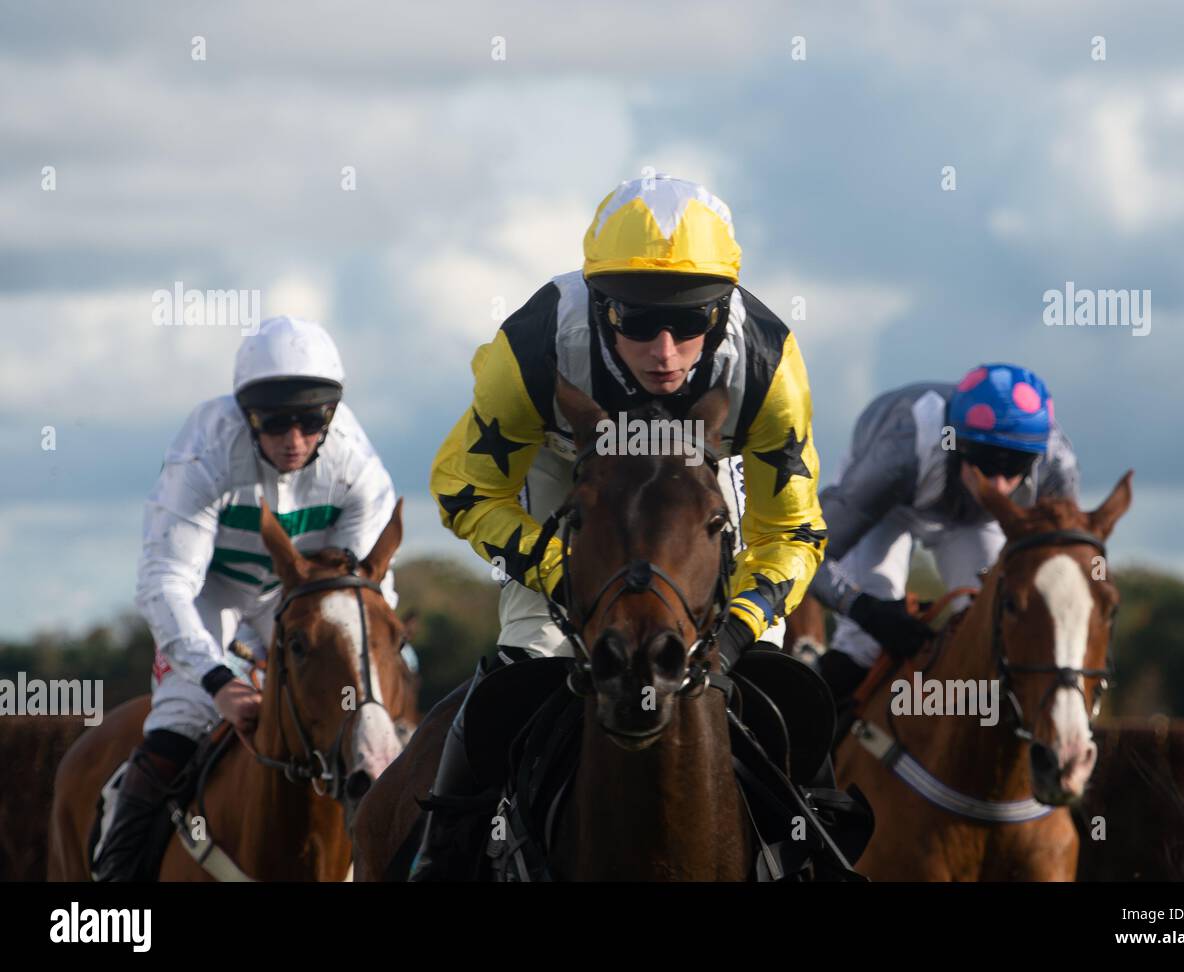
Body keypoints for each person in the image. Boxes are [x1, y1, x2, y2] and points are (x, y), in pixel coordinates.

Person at [415, 173, 828, 878]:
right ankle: (442, 853)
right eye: (635, 322)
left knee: (775, 685)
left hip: (696, 487)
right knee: (525, 666)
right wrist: (563, 569)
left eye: (690, 323)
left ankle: (814, 842)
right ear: (600, 305)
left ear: (722, 311)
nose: (663, 351)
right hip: (566, 479)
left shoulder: (768, 364)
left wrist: (734, 629)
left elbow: (794, 532)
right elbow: (464, 487)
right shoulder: (535, 346)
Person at [93, 316, 399, 881]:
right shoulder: (205, 450)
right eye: (275, 422)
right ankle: (117, 885)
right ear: (245, 414)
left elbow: (364, 595)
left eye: (311, 422)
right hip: (213, 596)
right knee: (181, 720)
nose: (294, 440)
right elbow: (164, 581)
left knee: (380, 712)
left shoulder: (356, 466)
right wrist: (217, 680)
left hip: (305, 601)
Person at [808, 363, 1080, 703]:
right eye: (985, 462)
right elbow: (806, 546)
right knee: (866, 640)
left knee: (991, 627)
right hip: (888, 507)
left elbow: (1067, 574)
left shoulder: (1056, 464)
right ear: (958, 443)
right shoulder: (902, 449)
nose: (996, 486)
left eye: (1014, 467)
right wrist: (863, 607)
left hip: (971, 522)